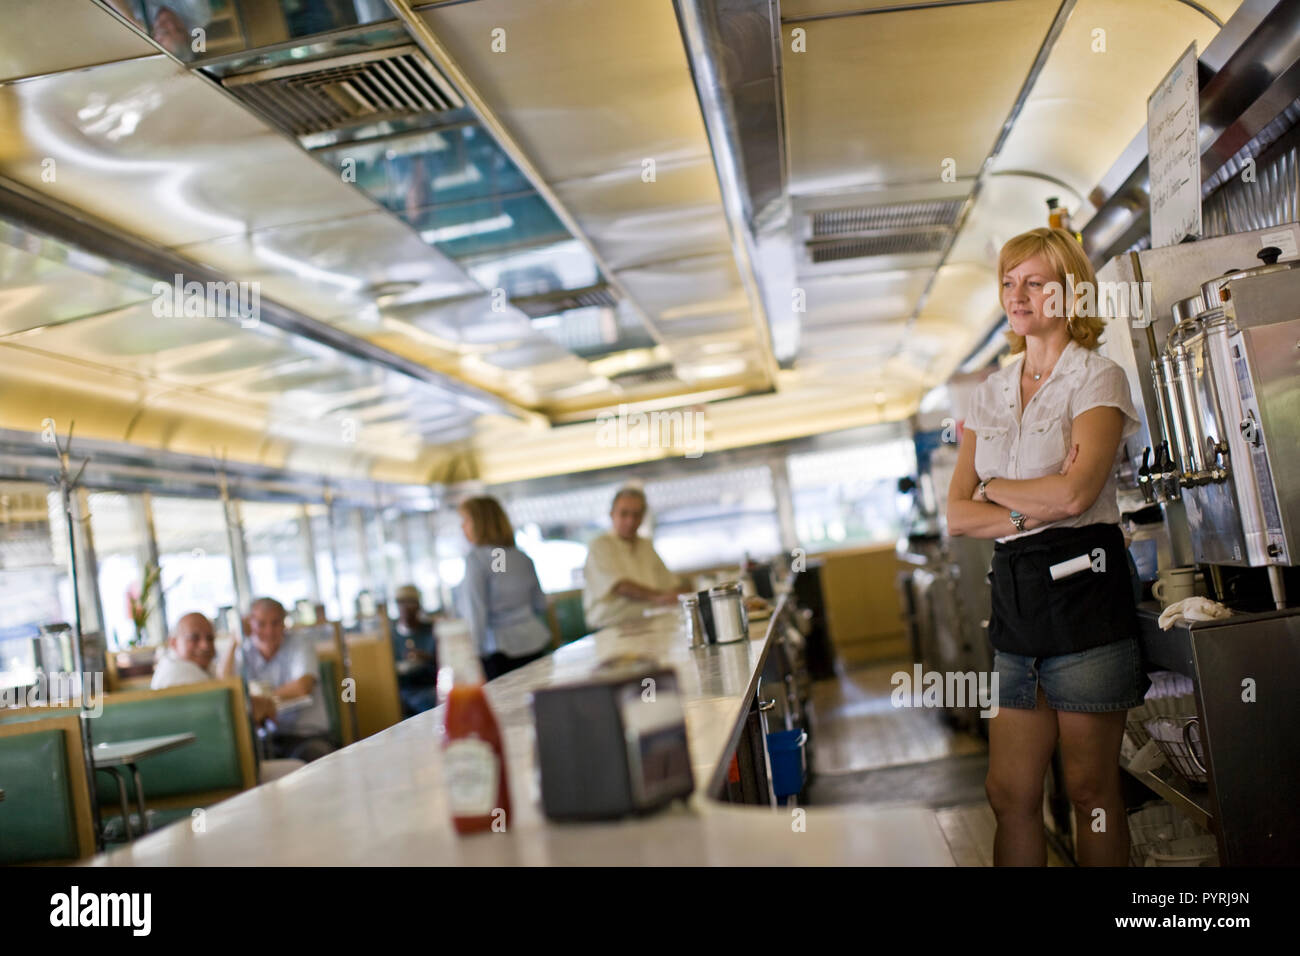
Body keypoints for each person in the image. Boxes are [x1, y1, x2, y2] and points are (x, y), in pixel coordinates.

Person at [946, 226, 1149, 867]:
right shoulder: (987, 395)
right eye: (1009, 282)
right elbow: (956, 515)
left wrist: (995, 489)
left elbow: (1075, 496)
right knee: (1007, 792)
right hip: (1016, 605)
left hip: (1085, 598)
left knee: (1091, 790)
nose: (1018, 294)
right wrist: (1031, 501)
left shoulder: (1099, 380)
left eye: (1034, 281)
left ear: (1069, 293)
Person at [151, 611, 301, 781]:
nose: (205, 646)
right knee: (298, 771)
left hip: (209, 764)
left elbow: (226, 688)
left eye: (210, 638)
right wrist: (253, 705)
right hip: (199, 773)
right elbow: (228, 707)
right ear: (173, 643)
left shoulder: (191, 666)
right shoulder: (178, 673)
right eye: (194, 638)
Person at [457, 497, 552, 681]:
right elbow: (540, 604)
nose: (462, 527)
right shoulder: (522, 557)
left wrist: (473, 656)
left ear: (480, 522)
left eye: (465, 521)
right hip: (533, 641)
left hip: (499, 650)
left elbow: (476, 612)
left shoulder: (478, 558)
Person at [237, 598, 336, 763]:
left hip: (307, 736)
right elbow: (227, 687)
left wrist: (263, 702)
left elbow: (303, 686)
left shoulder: (300, 643)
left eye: (275, 623)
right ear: (250, 624)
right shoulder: (245, 651)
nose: (269, 631)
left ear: (284, 623)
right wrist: (235, 638)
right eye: (261, 624)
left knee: (314, 756)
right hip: (268, 740)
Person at [582, 486, 687, 629]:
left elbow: (670, 584)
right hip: (610, 627)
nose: (630, 521)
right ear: (612, 514)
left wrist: (683, 592)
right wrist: (658, 597)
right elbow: (620, 586)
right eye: (624, 514)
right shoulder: (600, 546)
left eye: (636, 515)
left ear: (643, 517)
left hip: (649, 624)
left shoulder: (646, 545)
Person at [391, 584, 438, 716]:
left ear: (418, 605)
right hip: (406, 689)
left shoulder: (431, 631)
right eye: (401, 602)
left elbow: (444, 663)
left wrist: (427, 658)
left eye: (410, 602)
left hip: (431, 683)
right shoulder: (390, 637)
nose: (405, 607)